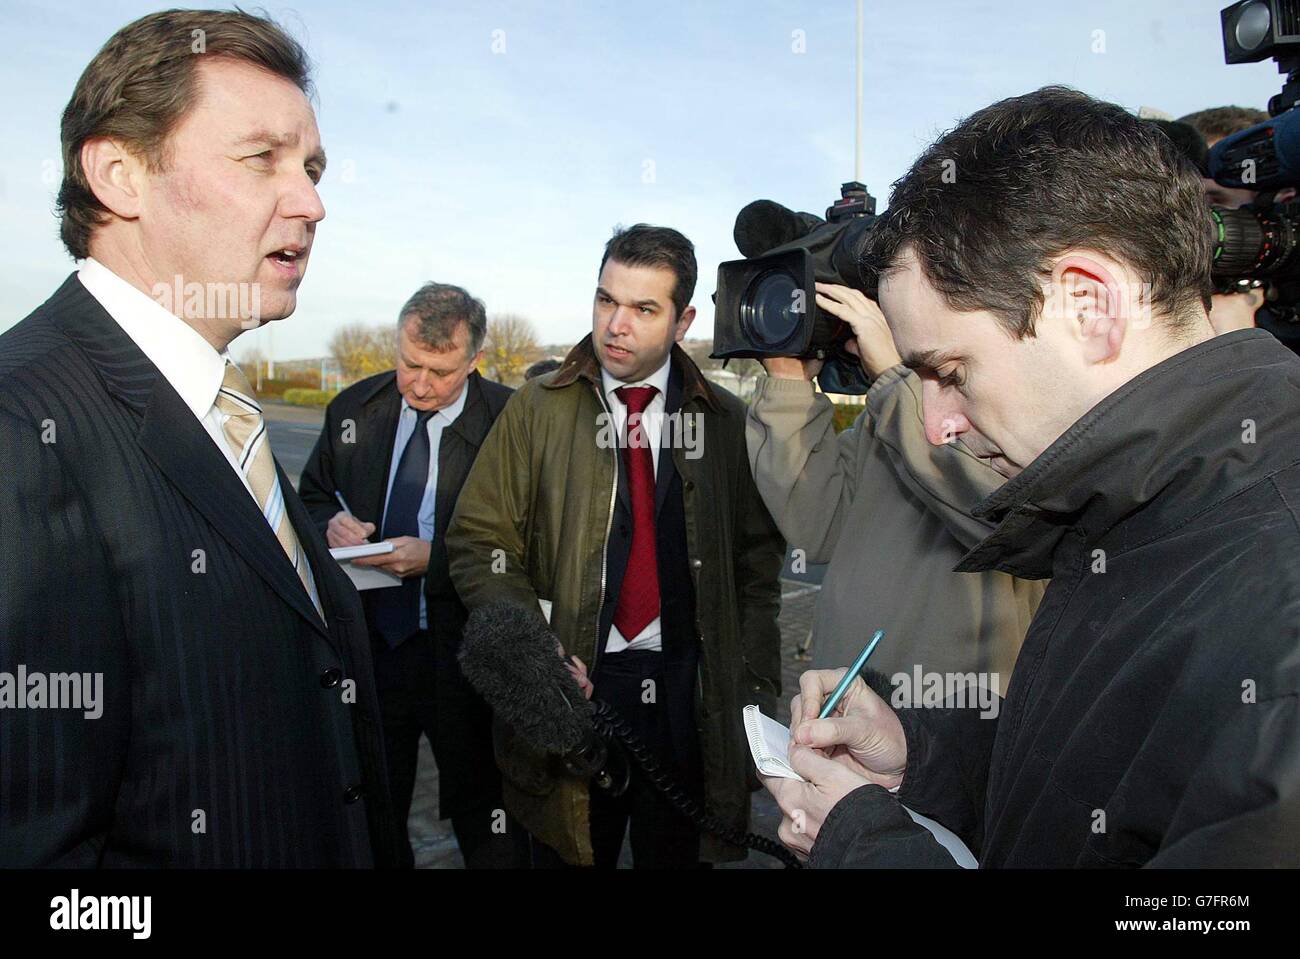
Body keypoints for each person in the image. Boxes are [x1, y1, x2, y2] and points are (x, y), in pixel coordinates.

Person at [765, 86, 1300, 868]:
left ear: (1089, 303)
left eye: (950, 370)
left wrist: (867, 847)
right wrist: (925, 763)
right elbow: (1091, 785)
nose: (939, 422)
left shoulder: (1275, 607)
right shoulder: (1130, 506)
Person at [0, 10, 398, 867]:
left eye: (314, 167)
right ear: (119, 174)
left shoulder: (224, 412)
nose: (314, 202)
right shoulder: (17, 428)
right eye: (262, 158)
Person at [447, 224, 785, 868]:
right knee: (570, 851)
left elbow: (756, 572)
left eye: (643, 309)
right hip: (574, 691)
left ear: (683, 321)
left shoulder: (727, 423)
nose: (615, 325)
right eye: (606, 300)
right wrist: (534, 654)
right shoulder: (537, 410)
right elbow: (479, 538)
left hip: (690, 695)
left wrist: (753, 693)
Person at [298, 283, 515, 868]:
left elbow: (537, 542)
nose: (420, 384)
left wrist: (436, 560)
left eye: (440, 372)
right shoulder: (352, 409)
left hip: (467, 655)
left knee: (485, 811)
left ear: (475, 361)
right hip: (371, 652)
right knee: (376, 804)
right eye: (408, 363)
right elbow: (311, 496)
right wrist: (330, 524)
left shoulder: (512, 421)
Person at [748, 283, 1044, 682]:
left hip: (959, 719)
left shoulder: (1025, 396)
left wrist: (894, 376)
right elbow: (817, 529)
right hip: (846, 704)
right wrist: (790, 387)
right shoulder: (890, 411)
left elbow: (1004, 519)